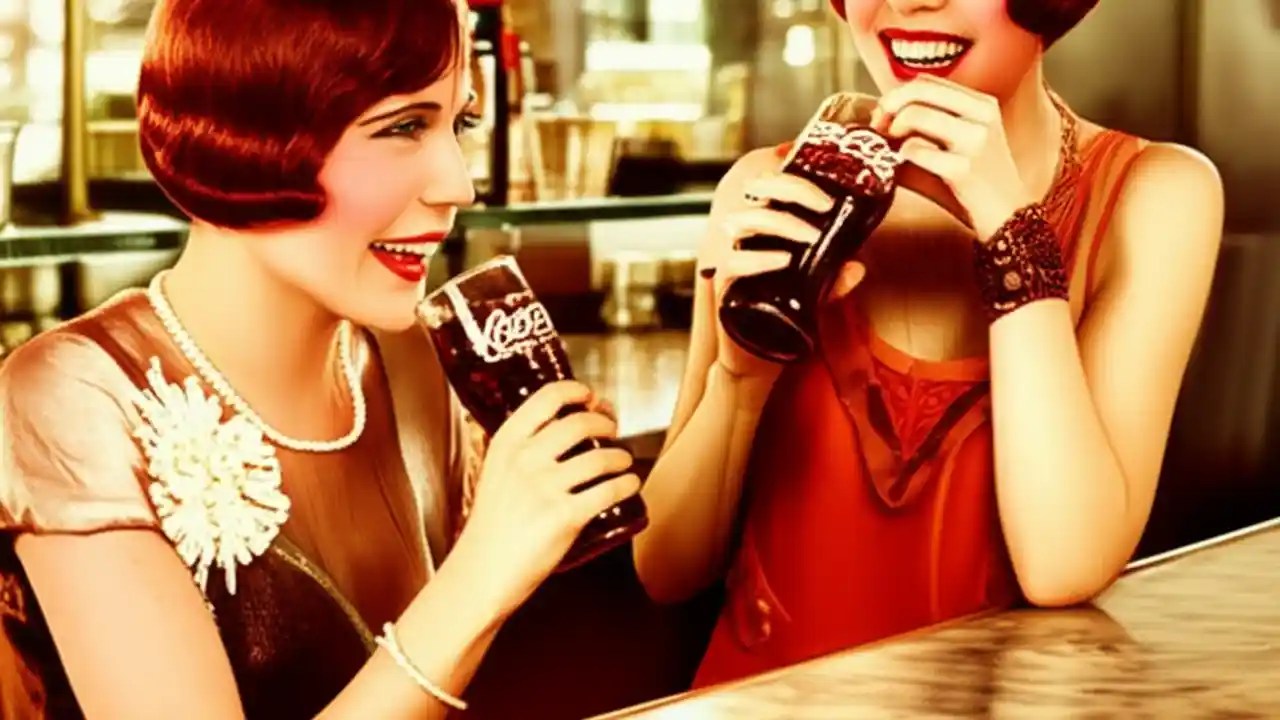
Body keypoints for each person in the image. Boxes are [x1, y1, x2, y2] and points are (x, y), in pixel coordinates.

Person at [0, 0, 641, 717]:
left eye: (457, 124)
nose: (459, 185)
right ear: (247, 128)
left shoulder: (409, 352)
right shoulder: (72, 397)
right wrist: (485, 573)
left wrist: (728, 374)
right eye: (402, 127)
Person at [634, 0, 1225, 687]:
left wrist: (1010, 230)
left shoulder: (1153, 194)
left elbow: (1064, 564)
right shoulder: (769, 185)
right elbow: (665, 569)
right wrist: (738, 384)